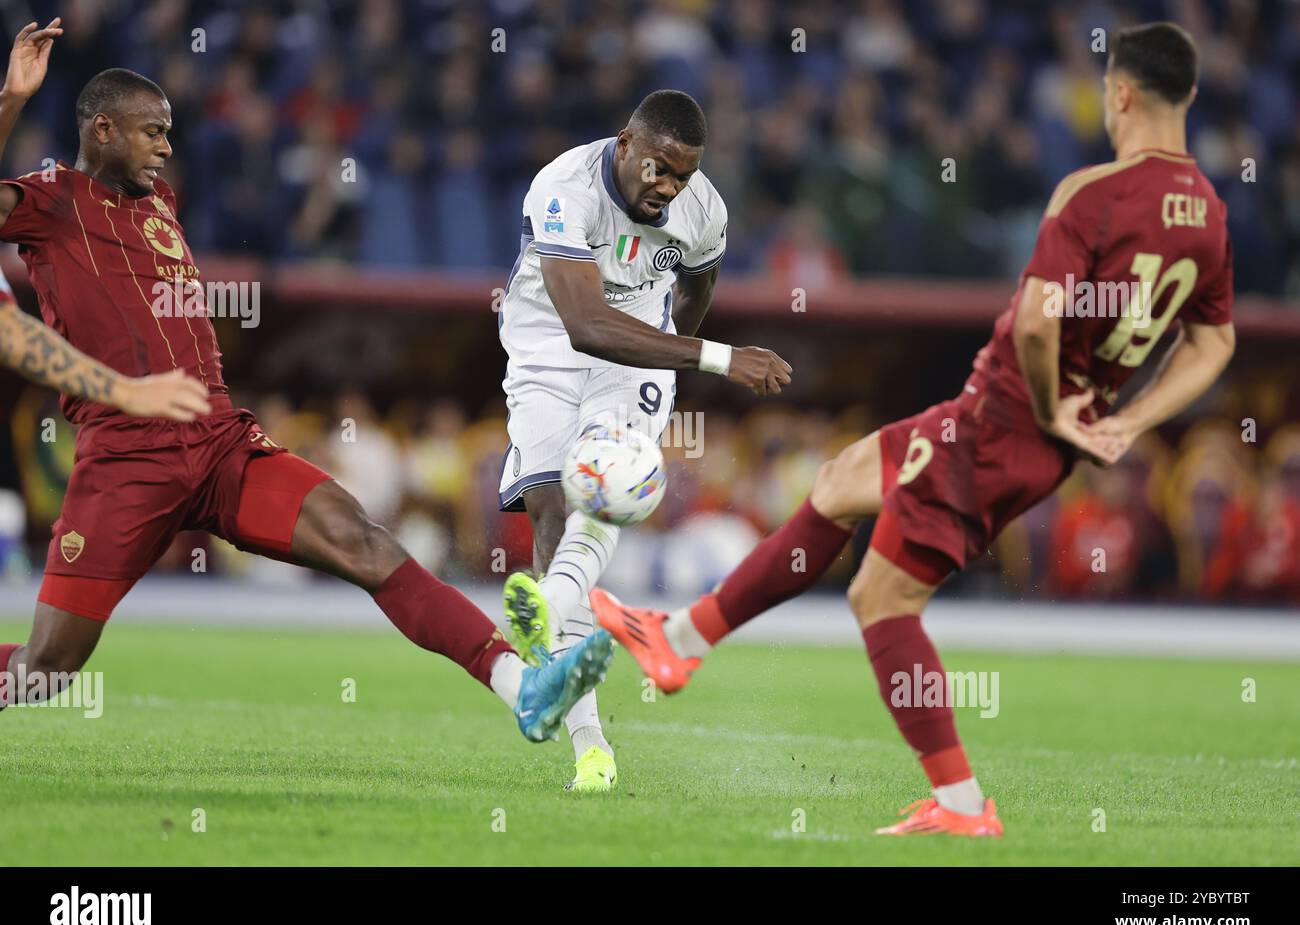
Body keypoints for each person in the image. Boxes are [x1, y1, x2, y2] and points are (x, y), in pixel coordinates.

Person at [592, 22, 1236, 836]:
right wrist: (1124, 418)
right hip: (1030, 431)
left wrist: (1047, 405)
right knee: (842, 479)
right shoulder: (1209, 216)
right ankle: (682, 638)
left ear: (1120, 94)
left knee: (882, 600)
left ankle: (963, 804)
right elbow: (1214, 342)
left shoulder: (1095, 193)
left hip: (1004, 421)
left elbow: (1038, 326)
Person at [0, 20, 612, 741]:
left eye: (168, 133)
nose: (167, 148)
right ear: (101, 130)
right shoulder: (52, 201)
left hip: (219, 442)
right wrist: (10, 99)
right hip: (125, 457)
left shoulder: (160, 204)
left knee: (362, 539)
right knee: (48, 668)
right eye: (150, 133)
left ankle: (521, 685)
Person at [495, 89, 792, 790]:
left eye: (682, 174)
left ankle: (559, 642)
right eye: (657, 167)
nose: (667, 186)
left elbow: (698, 284)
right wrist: (718, 358)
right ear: (625, 143)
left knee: (610, 489)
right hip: (548, 342)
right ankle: (587, 728)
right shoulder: (563, 187)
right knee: (551, 513)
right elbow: (584, 325)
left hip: (637, 356)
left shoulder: (704, 211)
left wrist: (670, 356)